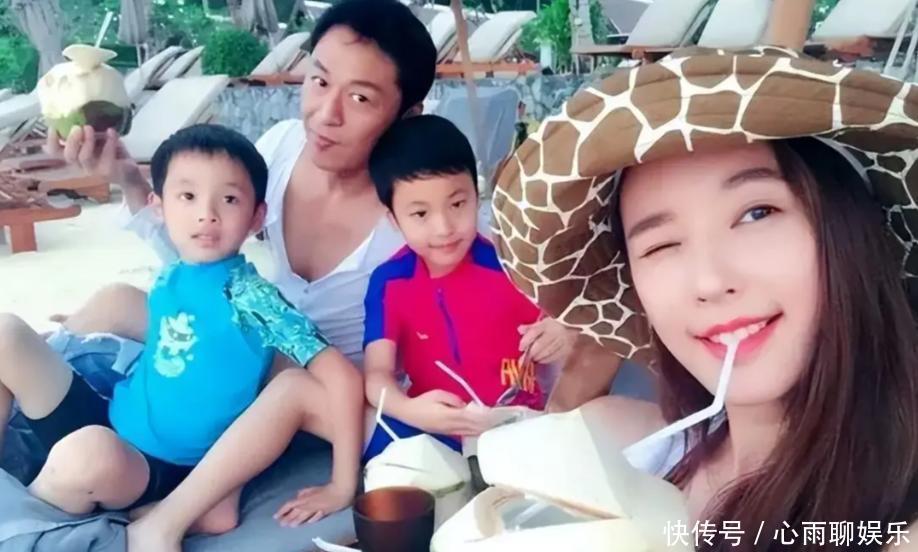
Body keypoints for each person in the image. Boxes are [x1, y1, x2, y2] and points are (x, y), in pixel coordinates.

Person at [490, 47, 918, 550]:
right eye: (661, 245)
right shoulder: (617, 450)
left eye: (756, 213)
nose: (709, 282)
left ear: (847, 228)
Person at [0, 124, 342, 530]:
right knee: (6, 333)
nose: (206, 214)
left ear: (257, 216)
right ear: (159, 207)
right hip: (111, 416)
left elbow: (322, 378)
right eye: (188, 197)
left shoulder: (257, 302)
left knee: (83, 456)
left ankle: (24, 524)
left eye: (229, 199)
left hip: (156, 468)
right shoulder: (177, 273)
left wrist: (341, 482)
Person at [361, 115, 575, 461]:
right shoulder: (389, 283)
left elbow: (577, 328)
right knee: (363, 428)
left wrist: (564, 332)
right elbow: (377, 376)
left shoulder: (513, 266)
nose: (444, 227)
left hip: (516, 426)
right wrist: (412, 411)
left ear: (477, 196)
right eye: (420, 214)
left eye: (458, 204)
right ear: (393, 219)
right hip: (431, 428)